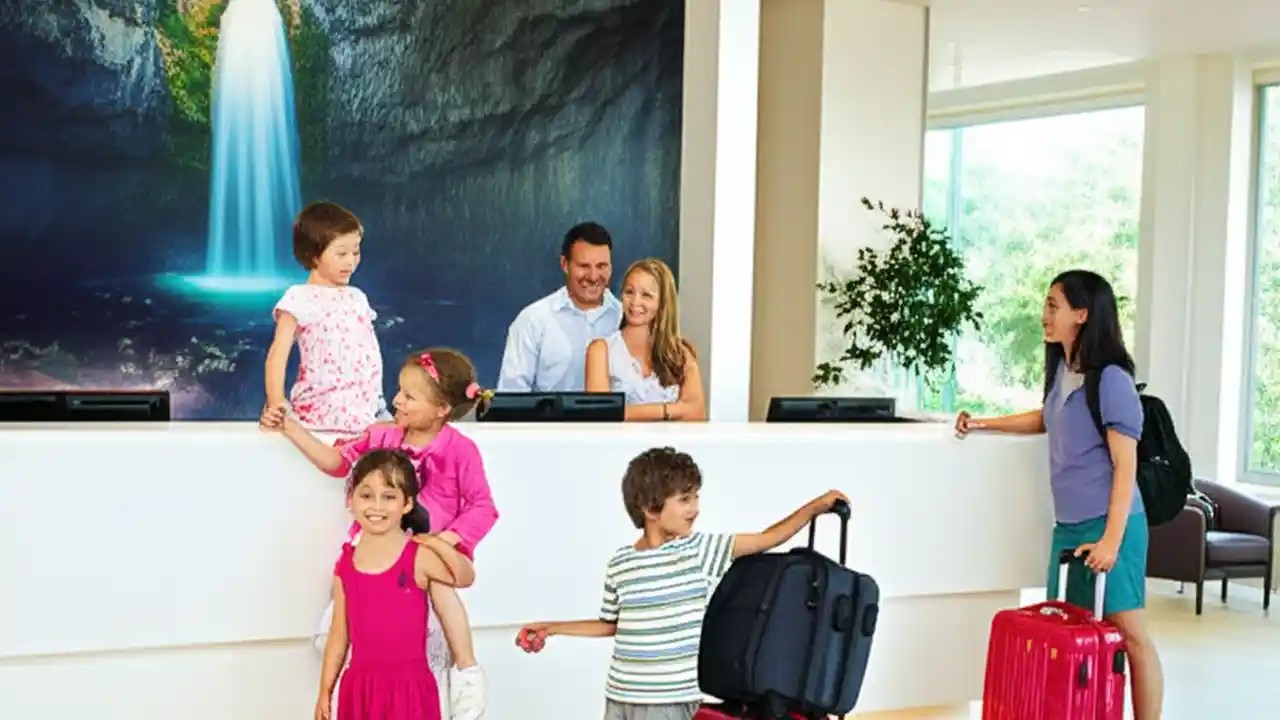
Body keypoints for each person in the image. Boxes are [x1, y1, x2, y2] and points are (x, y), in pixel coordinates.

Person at [954, 269, 1163, 720]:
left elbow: (1125, 465)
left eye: (1054, 305)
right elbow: (1045, 418)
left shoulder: (1111, 380)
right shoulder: (1064, 372)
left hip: (1111, 524)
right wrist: (983, 423)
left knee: (1131, 635)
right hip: (1068, 526)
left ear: (1082, 314)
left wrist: (1111, 541)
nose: (1044, 315)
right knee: (1069, 632)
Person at [514, 446, 849, 720]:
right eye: (685, 499)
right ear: (651, 509)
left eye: (696, 497)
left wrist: (815, 507)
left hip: (669, 699)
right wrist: (553, 628)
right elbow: (612, 624)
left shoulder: (700, 551)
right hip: (620, 695)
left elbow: (767, 538)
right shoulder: (621, 562)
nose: (695, 508)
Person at [281, 348, 499, 720]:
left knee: (431, 624)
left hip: (424, 557)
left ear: (442, 408)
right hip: (377, 553)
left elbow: (483, 506)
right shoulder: (382, 437)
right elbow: (338, 462)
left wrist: (443, 541)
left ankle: (466, 672)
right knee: (338, 632)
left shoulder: (461, 451)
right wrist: (291, 428)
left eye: (409, 396)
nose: (397, 400)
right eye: (399, 390)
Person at [316, 449, 476, 720]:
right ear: (351, 499)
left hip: (409, 692)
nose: (376, 506)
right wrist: (325, 690)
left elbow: (464, 577)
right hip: (359, 691)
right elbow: (339, 635)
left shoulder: (418, 556)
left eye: (389, 497)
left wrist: (436, 543)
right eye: (366, 495)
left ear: (407, 504)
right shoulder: (346, 564)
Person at [261, 201, 387, 435]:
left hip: (368, 410)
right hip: (321, 411)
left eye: (356, 252)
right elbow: (278, 354)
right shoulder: (299, 297)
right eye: (341, 254)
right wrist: (276, 404)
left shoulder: (357, 297)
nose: (350, 261)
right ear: (314, 256)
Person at [496, 222, 622, 391]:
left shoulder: (625, 318)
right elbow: (512, 394)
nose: (593, 277)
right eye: (584, 266)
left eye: (601, 266)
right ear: (564, 264)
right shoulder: (533, 321)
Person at [584, 258, 705, 421]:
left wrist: (626, 412)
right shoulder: (601, 351)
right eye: (629, 292)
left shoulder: (681, 353)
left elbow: (696, 414)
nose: (635, 302)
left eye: (646, 295)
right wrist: (670, 410)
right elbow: (601, 415)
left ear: (663, 303)